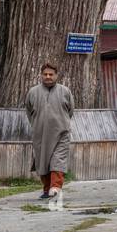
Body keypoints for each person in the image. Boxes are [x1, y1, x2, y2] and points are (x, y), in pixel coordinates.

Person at [26, 63, 74, 210]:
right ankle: (47, 190)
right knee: (43, 162)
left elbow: (70, 110)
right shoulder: (33, 92)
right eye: (45, 74)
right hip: (40, 134)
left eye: (51, 74)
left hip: (61, 133)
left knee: (57, 160)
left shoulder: (65, 91)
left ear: (56, 75)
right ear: (41, 75)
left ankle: (55, 187)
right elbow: (29, 112)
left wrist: (60, 123)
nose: (48, 77)